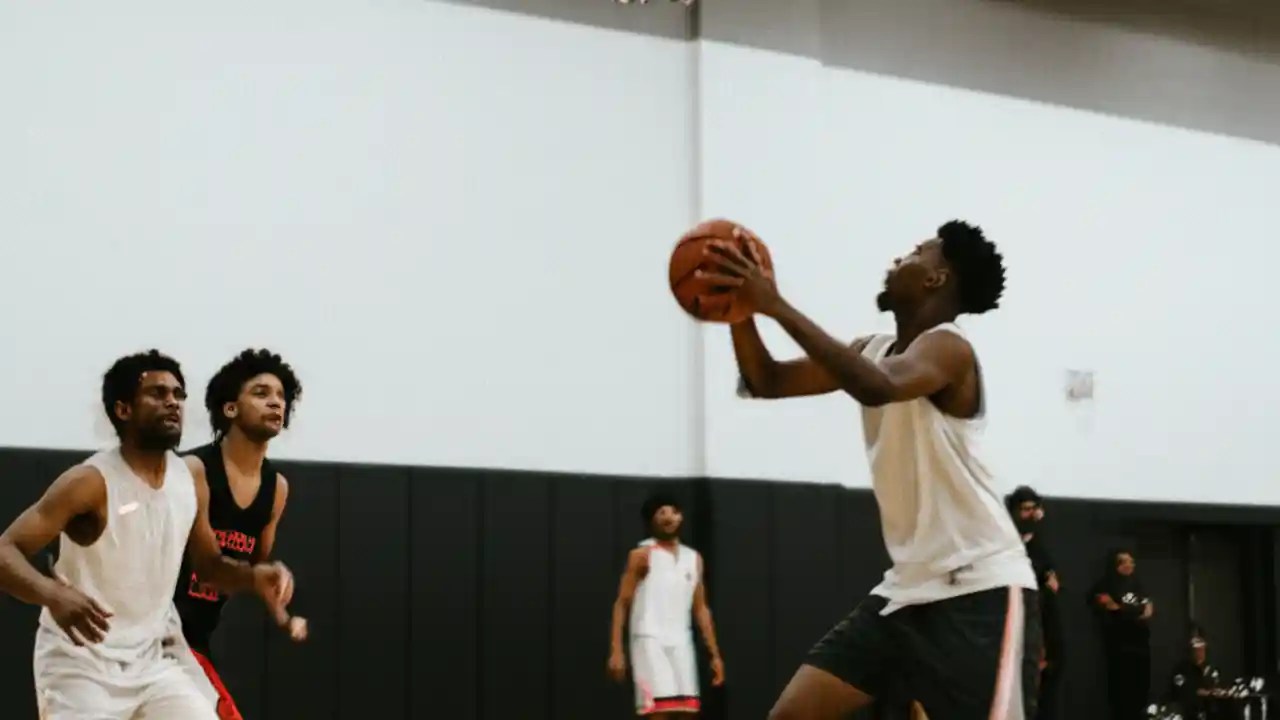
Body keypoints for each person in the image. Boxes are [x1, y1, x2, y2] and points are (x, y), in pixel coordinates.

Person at [702, 221, 1041, 719]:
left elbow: (878, 387)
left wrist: (774, 302)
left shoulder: (949, 348)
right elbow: (766, 378)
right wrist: (740, 309)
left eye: (914, 253)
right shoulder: (871, 350)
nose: (897, 260)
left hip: (980, 593)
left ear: (936, 278)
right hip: (905, 589)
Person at [0, 350, 295, 720]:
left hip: (152, 662)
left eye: (178, 394)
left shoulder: (187, 478)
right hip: (81, 667)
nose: (172, 402)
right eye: (157, 393)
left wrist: (254, 576)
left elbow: (207, 566)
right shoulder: (89, 482)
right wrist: (53, 595)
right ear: (123, 410)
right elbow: (5, 551)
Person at [166, 348, 308, 720]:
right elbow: (207, 563)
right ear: (230, 408)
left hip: (195, 638)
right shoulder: (193, 470)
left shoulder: (276, 488)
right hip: (155, 631)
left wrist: (282, 616)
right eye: (261, 393)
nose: (275, 402)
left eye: (281, 396)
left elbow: (255, 573)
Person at [607, 493, 725, 717]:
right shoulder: (642, 554)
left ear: (681, 517)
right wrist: (616, 650)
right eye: (662, 512)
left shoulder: (693, 558)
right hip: (649, 640)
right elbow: (621, 603)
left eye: (673, 511)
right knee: (658, 712)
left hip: (681, 642)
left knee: (687, 711)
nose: (668, 517)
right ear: (652, 519)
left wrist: (715, 654)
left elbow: (701, 609)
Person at [1006, 485, 1064, 720]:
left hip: (1041, 626)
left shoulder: (1039, 546)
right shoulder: (1008, 546)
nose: (1031, 514)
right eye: (1025, 510)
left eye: (1034, 509)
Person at [1089, 548, 1153, 720]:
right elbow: (1109, 606)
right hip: (1118, 647)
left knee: (1141, 692)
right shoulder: (1105, 585)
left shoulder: (1138, 584)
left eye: (1131, 561)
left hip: (1140, 647)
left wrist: (1122, 609)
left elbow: (1148, 610)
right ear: (1116, 564)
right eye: (1125, 561)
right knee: (1119, 695)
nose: (1129, 565)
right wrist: (1134, 611)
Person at [1165, 632, 1222, 720]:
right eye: (1197, 650)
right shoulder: (1181, 670)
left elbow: (1216, 687)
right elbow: (1181, 691)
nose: (1200, 653)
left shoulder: (1211, 669)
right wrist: (1200, 693)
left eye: (1202, 649)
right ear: (1191, 651)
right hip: (1188, 714)